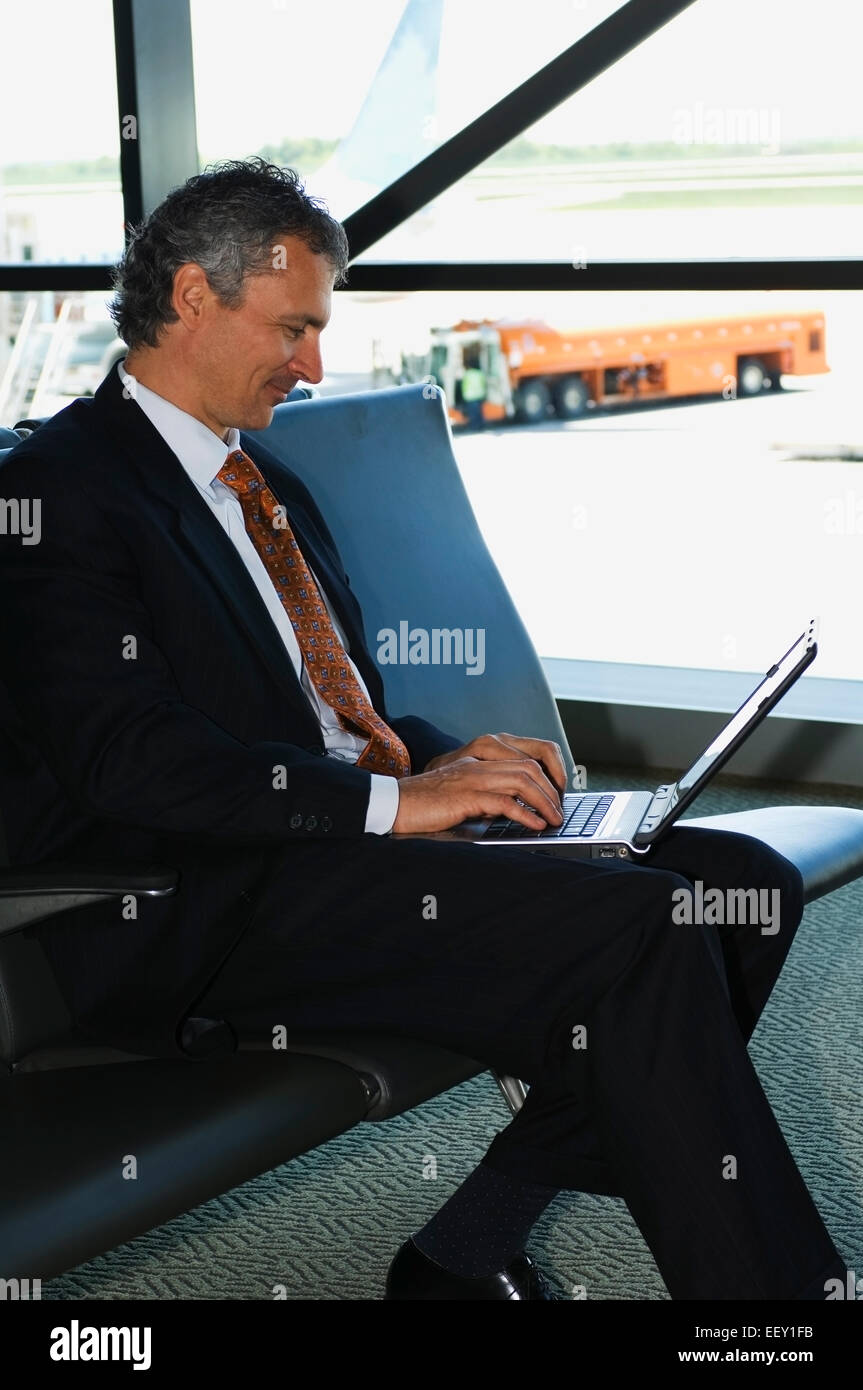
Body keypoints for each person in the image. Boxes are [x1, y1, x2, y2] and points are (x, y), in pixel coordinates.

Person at [0, 159, 847, 1302]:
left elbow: (315, 708)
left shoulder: (265, 484)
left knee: (735, 882)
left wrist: (446, 762)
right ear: (193, 297)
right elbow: (129, 759)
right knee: (642, 930)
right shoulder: (62, 494)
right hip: (194, 900)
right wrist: (402, 806)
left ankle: (461, 1252)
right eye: (294, 329)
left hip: (327, 851)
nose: (313, 365)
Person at [459, 350, 487, 429]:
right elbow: (483, 384)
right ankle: (481, 425)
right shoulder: (480, 373)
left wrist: (463, 395)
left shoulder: (467, 374)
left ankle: (474, 426)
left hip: (470, 396)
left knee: (473, 413)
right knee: (479, 412)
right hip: (479, 395)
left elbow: (464, 386)